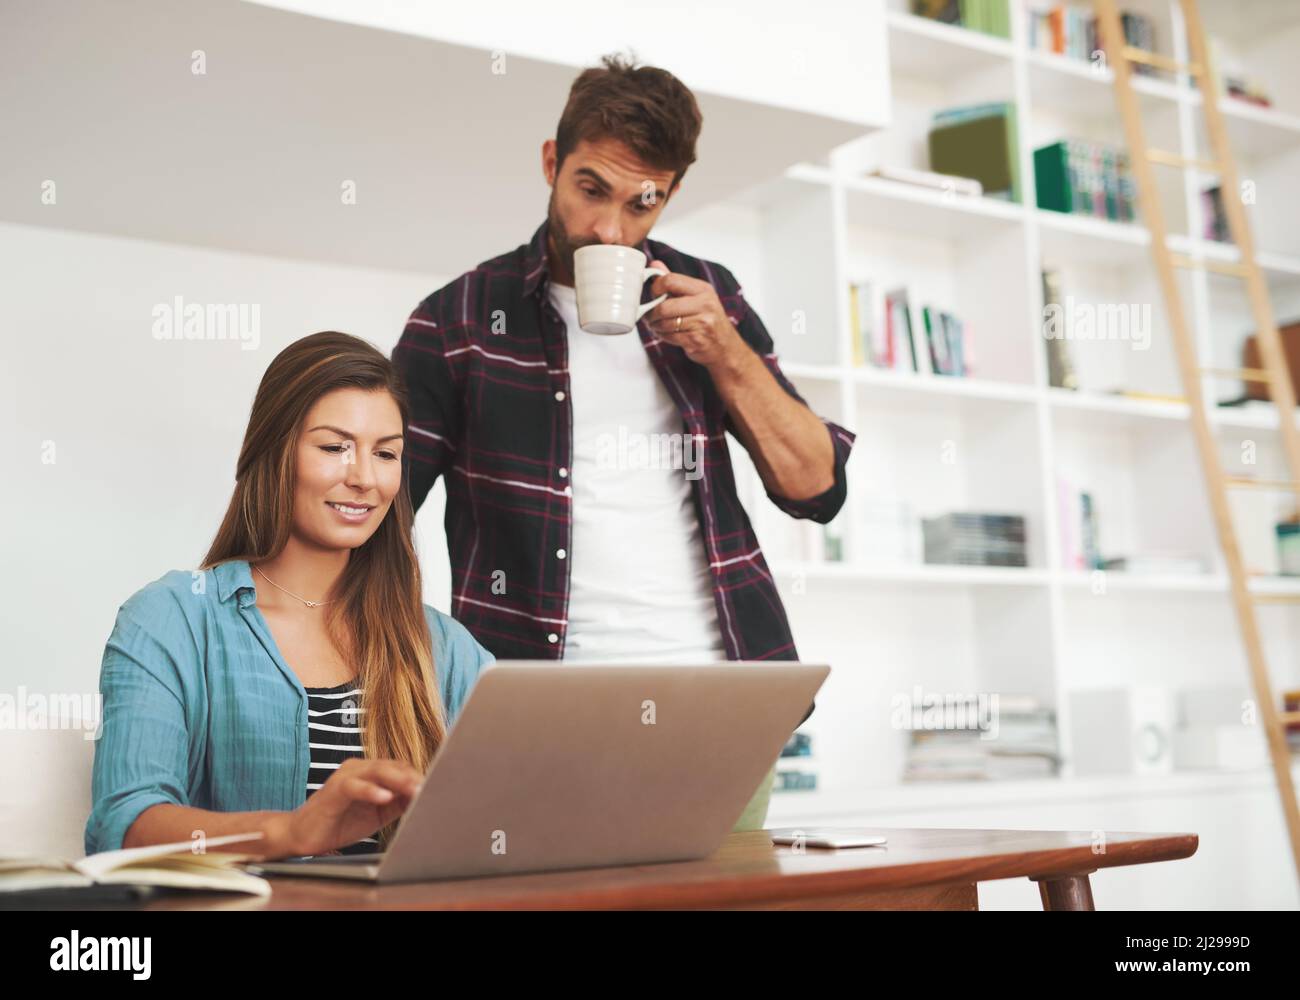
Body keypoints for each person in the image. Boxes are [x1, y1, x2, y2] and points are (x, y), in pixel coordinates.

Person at [391, 53, 855, 831]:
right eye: (590, 189)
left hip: (722, 712)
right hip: (532, 720)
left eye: (643, 203)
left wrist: (728, 353)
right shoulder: (459, 318)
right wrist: (409, 689)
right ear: (551, 162)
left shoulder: (712, 298)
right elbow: (378, 512)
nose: (610, 228)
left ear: (669, 194)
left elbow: (818, 487)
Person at [85, 332, 494, 859]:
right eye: (333, 448)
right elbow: (126, 824)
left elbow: (518, 807)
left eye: (387, 453)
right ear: (274, 450)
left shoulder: (444, 646)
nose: (365, 478)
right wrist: (293, 833)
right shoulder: (171, 619)